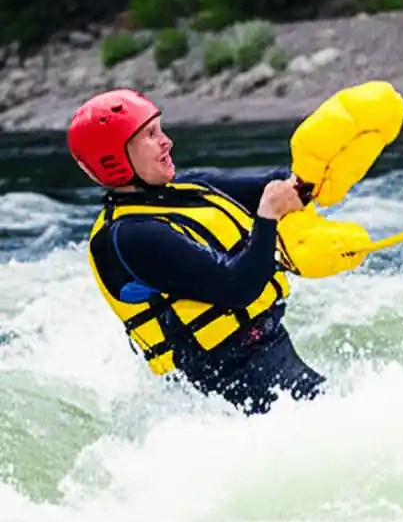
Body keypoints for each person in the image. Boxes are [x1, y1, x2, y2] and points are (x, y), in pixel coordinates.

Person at [68, 88, 325, 415]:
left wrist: (323, 165)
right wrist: (268, 215)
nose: (166, 141)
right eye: (150, 135)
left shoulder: (188, 189)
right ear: (116, 159)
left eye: (160, 129)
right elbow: (238, 287)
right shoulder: (129, 237)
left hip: (271, 364)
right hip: (227, 396)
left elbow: (277, 183)